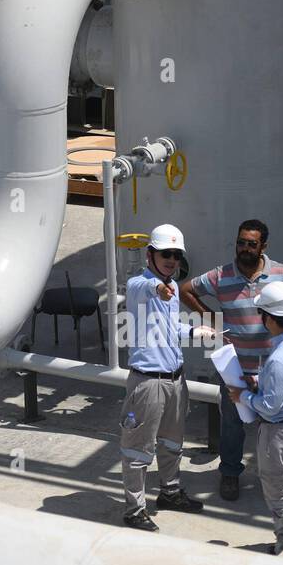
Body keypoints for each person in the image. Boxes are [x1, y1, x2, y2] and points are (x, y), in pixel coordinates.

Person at [180, 219, 283, 501]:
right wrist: (213, 321)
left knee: (273, 423)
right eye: (241, 242)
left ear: (263, 246)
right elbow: (186, 289)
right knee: (232, 425)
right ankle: (230, 473)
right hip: (236, 369)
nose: (244, 248)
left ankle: (276, 476)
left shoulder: (282, 273)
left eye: (251, 244)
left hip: (273, 369)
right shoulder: (221, 275)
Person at [120, 224, 216, 531]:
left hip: (175, 379)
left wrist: (196, 331)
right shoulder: (139, 285)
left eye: (176, 255)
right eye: (166, 254)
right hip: (148, 383)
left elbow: (170, 327)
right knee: (137, 449)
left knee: (173, 443)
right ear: (150, 255)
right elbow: (143, 288)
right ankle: (135, 510)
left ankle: (170, 492)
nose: (172, 260)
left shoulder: (172, 287)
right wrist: (157, 289)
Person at [226, 282, 283, 532]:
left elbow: (269, 407)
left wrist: (243, 396)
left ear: (268, 318)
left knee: (281, 499)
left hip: (281, 436)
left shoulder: (278, 360)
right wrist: (259, 381)